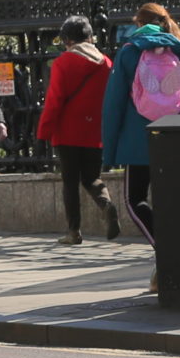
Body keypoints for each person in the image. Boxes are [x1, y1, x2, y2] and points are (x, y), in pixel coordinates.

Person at [100, 3, 180, 247]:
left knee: (135, 200)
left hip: (138, 140)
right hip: (176, 136)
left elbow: (114, 103)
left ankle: (166, 252)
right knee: (172, 199)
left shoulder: (130, 52)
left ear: (138, 24)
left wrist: (109, 152)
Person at [37, 16, 113, 245]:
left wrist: (43, 132)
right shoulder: (106, 63)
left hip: (68, 130)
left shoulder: (63, 63)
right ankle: (107, 204)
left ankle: (74, 231)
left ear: (67, 40)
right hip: (94, 129)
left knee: (70, 181)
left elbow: (54, 101)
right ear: (90, 37)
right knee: (92, 177)